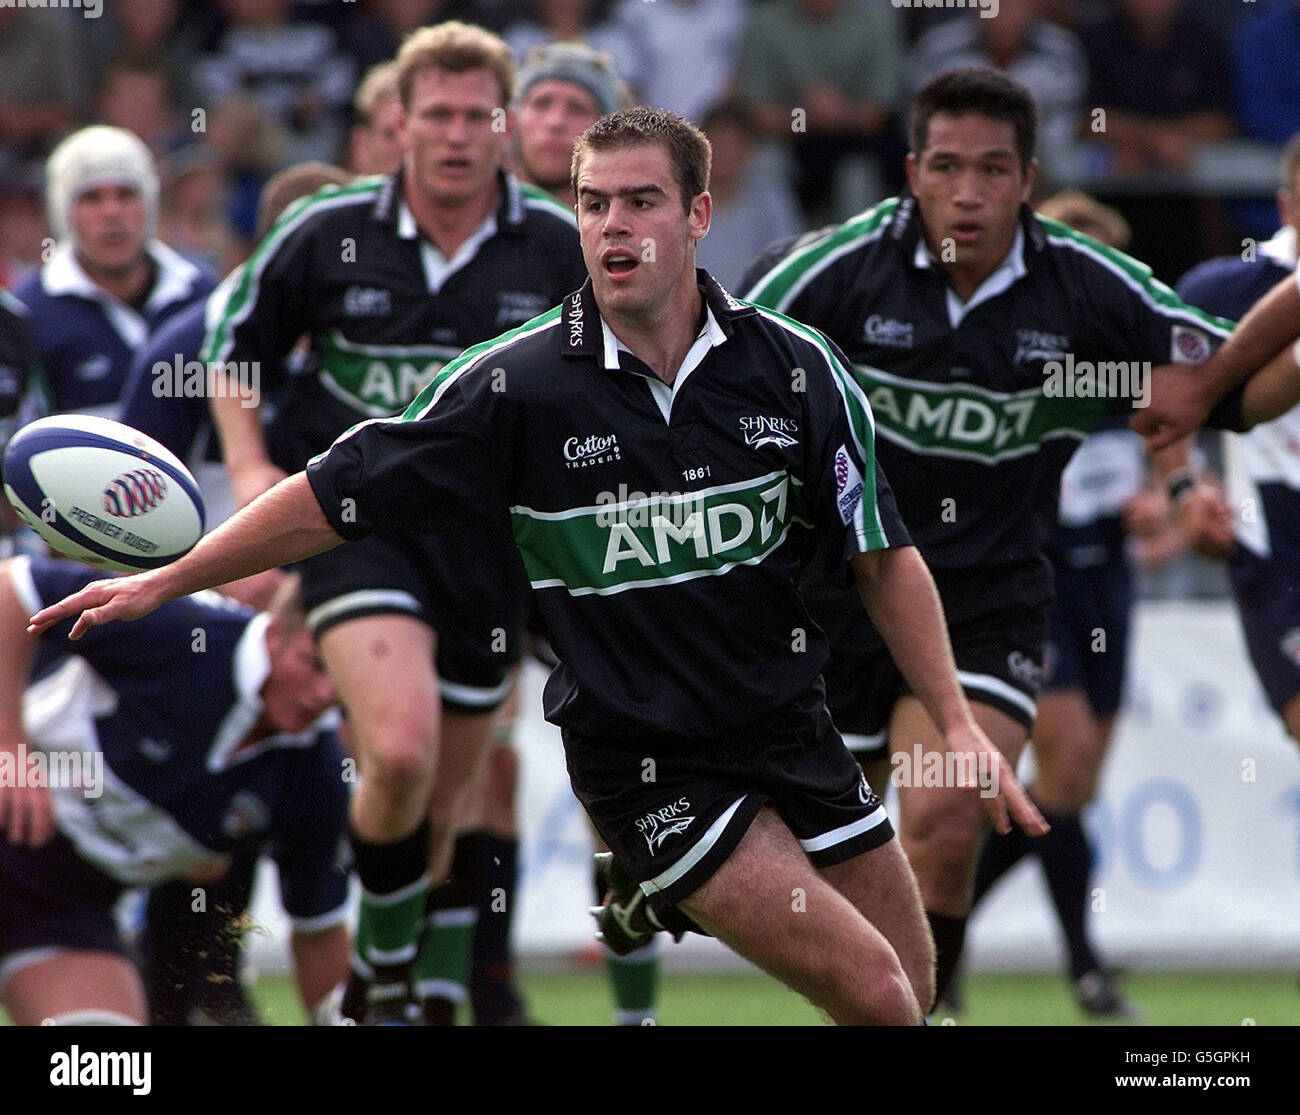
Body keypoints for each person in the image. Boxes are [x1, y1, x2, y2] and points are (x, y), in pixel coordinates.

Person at [28, 106, 1049, 1027]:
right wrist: (172, 577)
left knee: (909, 993)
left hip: (792, 727)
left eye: (640, 202)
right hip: (651, 757)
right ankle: (628, 875)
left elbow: (884, 557)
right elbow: (331, 494)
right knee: (877, 993)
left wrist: (955, 719)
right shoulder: (516, 385)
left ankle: (648, 892)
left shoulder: (793, 367)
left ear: (697, 214)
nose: (612, 225)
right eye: (592, 202)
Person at [741, 67, 1274, 1008]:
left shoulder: (1084, 292)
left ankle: (928, 1007)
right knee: (833, 865)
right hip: (833, 597)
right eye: (947, 166)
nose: (969, 191)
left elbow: (1216, 387)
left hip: (988, 601)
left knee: (944, 821)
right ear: (912, 171)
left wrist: (1223, 389)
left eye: (994, 169)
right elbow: (712, 384)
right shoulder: (825, 274)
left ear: (1028, 179)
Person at [201, 20, 586, 1025]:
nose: (456, 135)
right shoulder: (327, 230)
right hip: (353, 522)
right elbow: (232, 343)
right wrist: (248, 462)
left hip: (489, 549)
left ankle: (387, 971)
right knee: (402, 750)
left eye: (475, 116)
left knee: (447, 811)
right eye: (437, 115)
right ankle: (381, 986)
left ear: (501, 126)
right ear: (397, 123)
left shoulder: (553, 244)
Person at [0, 556, 349, 1026]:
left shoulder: (319, 777)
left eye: (343, 677)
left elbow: (318, 935)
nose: (323, 694)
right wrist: (7, 742)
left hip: (62, 906)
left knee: (108, 1074)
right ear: (274, 633)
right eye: (312, 664)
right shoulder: (187, 631)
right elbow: (14, 588)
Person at [1174, 136, 1300, 745]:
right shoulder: (1222, 293)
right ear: (1287, 208)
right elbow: (1163, 403)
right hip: (1275, 530)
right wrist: (1185, 487)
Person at [15, 126, 215, 421]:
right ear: (63, 211)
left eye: (126, 194)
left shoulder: (204, 295)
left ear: (150, 203)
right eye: (92, 198)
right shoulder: (26, 315)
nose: (112, 212)